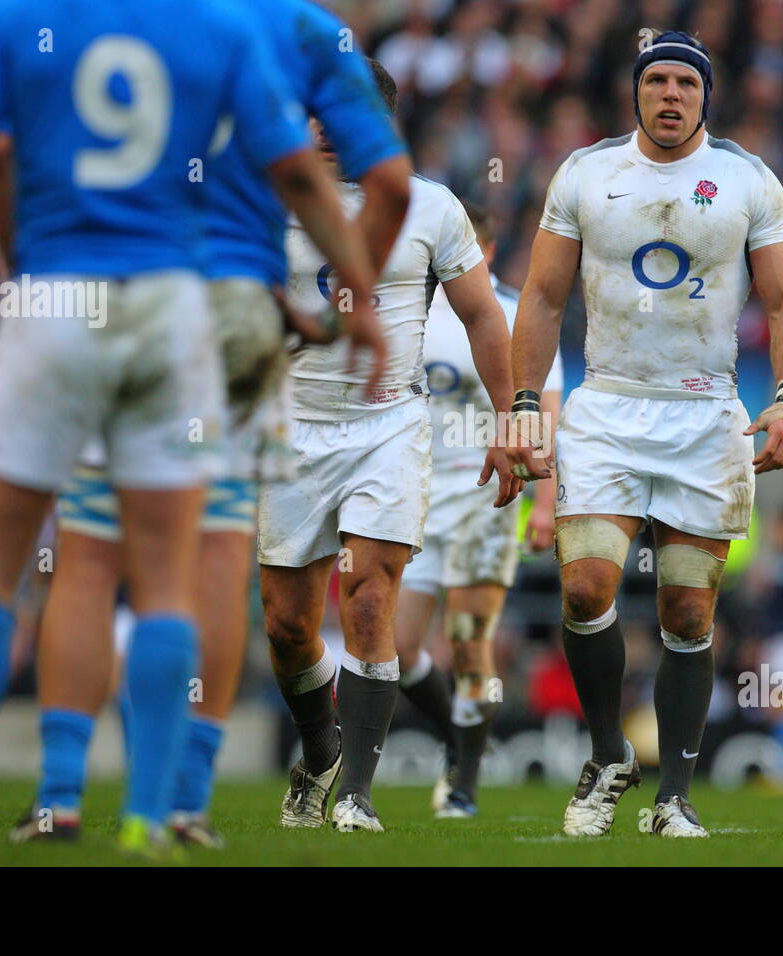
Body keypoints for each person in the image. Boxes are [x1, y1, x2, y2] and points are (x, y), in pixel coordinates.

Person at [0, 0, 379, 859]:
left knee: (4, 568)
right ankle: (158, 814)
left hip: (57, 300)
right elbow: (298, 171)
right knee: (172, 577)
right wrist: (360, 295)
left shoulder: (14, 21)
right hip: (171, 310)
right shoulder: (220, 30)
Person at [10, 3, 411, 851]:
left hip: (98, 299)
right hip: (227, 312)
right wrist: (341, 300)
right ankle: (179, 799)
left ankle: (56, 796)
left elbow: (1, 155)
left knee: (85, 559)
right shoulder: (271, 36)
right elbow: (378, 184)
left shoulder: (57, 25)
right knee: (216, 564)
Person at [508, 32, 783, 837]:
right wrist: (521, 404)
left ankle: (672, 797)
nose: (670, 94)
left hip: (705, 410)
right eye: (657, 81)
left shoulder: (747, 181)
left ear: (705, 95)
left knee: (685, 610)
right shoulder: (586, 172)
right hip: (607, 404)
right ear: (636, 93)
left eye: (685, 82)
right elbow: (539, 300)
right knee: (583, 589)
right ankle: (609, 753)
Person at [263, 63, 522, 832]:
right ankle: (320, 753)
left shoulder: (431, 207)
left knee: (371, 598)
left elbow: (483, 315)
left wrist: (513, 418)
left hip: (386, 425)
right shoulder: (265, 198)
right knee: (286, 626)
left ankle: (358, 798)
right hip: (289, 428)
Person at [394, 199, 563, 818]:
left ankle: (462, 781)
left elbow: (544, 411)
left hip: (486, 494)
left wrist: (544, 503)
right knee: (396, 647)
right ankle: (461, 740)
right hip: (413, 494)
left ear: (483, 251)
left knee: (468, 642)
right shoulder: (404, 310)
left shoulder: (516, 314)